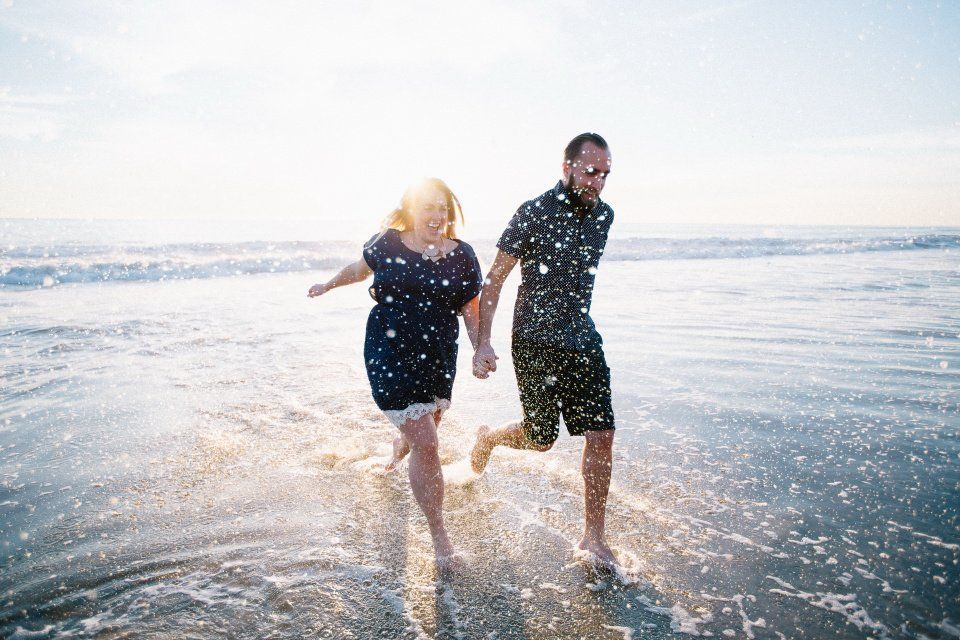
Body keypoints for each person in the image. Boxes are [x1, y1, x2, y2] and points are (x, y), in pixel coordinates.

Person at [308, 177, 483, 567]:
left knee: (426, 427)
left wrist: (481, 347)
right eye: (427, 207)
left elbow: (471, 308)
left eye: (442, 208)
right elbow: (358, 270)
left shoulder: (463, 255)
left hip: (437, 352)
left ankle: (396, 450)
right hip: (388, 347)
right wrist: (328, 284)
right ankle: (441, 539)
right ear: (410, 209)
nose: (436, 216)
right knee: (428, 443)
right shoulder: (387, 242)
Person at [470, 133, 618, 565]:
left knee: (602, 434)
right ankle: (490, 438)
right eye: (591, 172)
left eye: (605, 175)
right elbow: (495, 279)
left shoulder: (604, 216)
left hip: (581, 338)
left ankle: (593, 534)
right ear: (567, 166)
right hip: (534, 339)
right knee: (541, 438)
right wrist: (484, 341)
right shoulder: (533, 212)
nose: (598, 183)